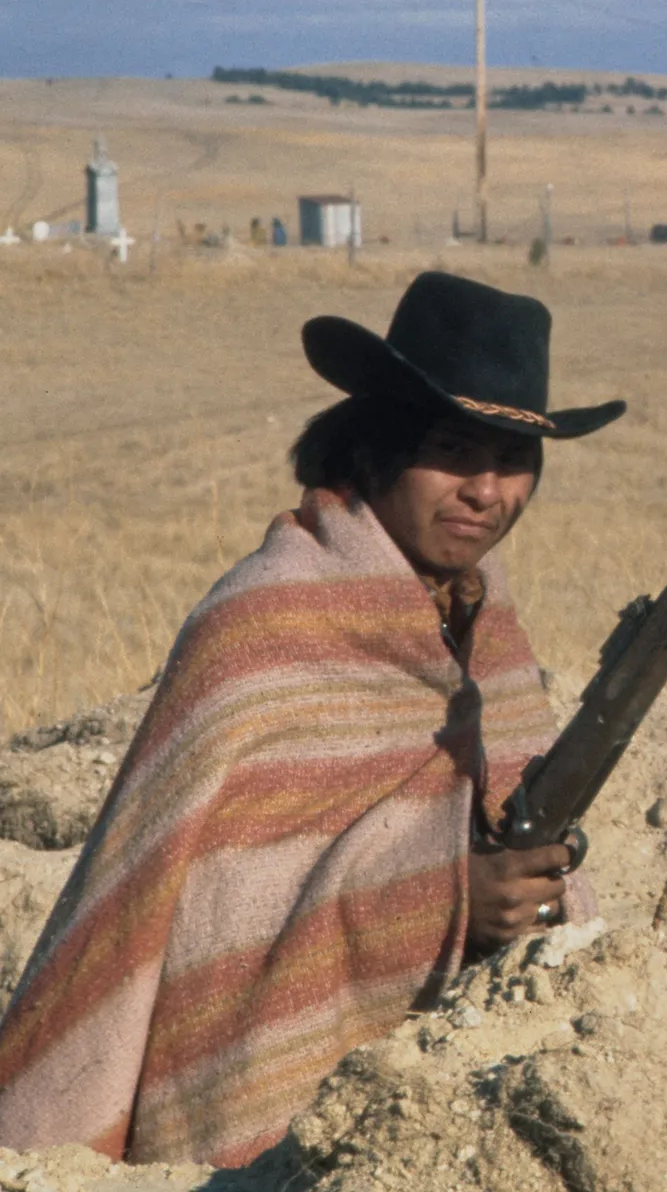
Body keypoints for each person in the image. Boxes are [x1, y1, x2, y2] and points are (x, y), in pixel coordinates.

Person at [0, 273, 625, 1168]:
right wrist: (444, 902)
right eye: (453, 450)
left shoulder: (486, 624)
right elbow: (213, 918)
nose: (486, 492)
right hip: (263, 1111)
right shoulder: (263, 623)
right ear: (376, 446)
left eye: (513, 460)